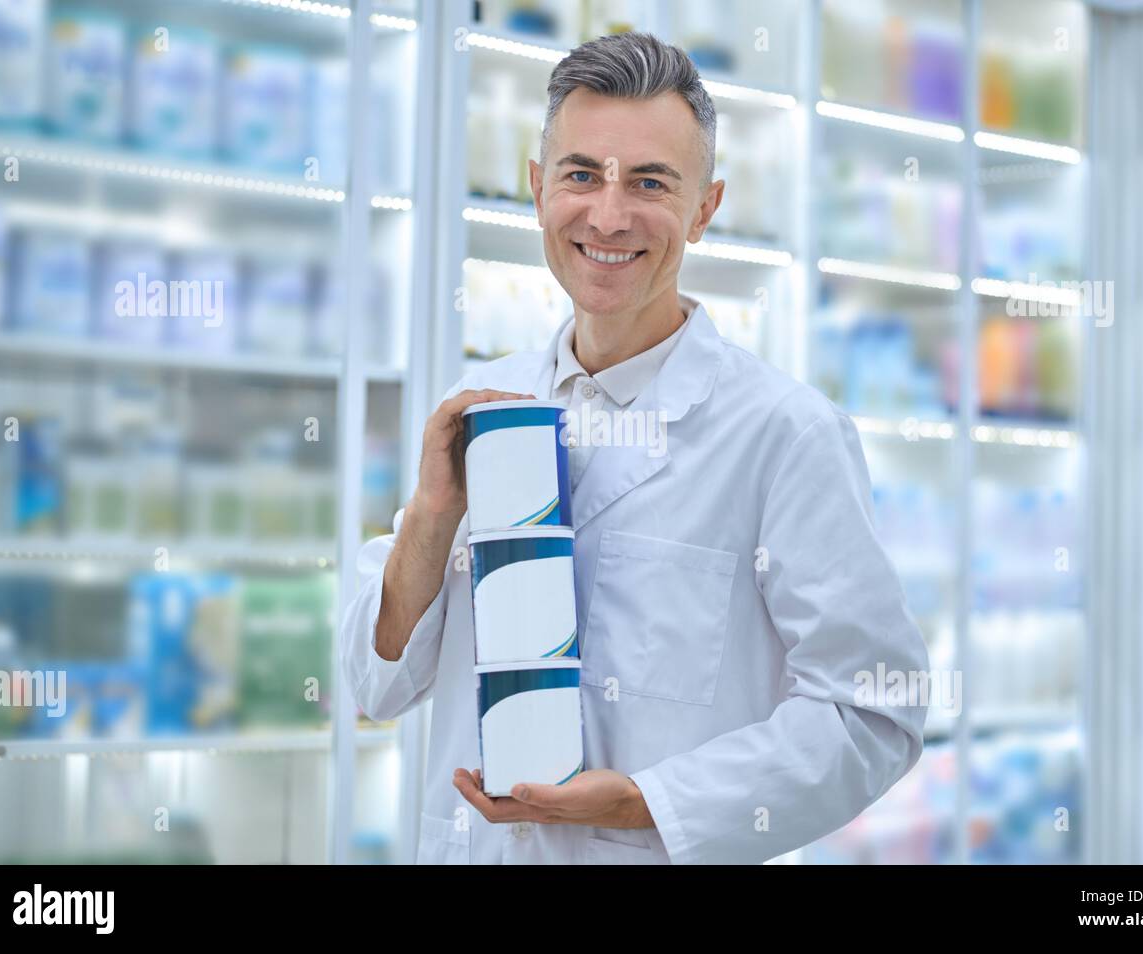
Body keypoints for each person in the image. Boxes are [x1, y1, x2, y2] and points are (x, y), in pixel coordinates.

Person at [341, 31, 929, 864]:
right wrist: (433, 515)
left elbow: (874, 713)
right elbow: (380, 684)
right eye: (581, 174)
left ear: (705, 207)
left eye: (650, 183)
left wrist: (649, 803)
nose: (608, 216)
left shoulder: (783, 434)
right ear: (538, 187)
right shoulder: (475, 408)